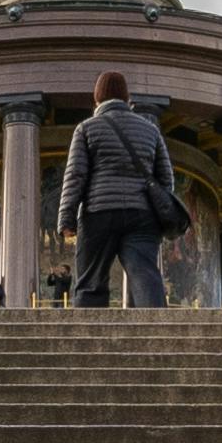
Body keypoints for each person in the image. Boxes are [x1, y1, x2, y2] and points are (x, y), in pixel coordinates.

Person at [52, 72, 175, 308]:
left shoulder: (86, 128)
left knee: (91, 283)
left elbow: (75, 176)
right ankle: (158, 338)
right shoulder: (150, 130)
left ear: (97, 99)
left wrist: (66, 218)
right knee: (146, 279)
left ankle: (88, 340)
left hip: (98, 213)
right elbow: (166, 179)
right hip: (142, 214)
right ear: (127, 99)